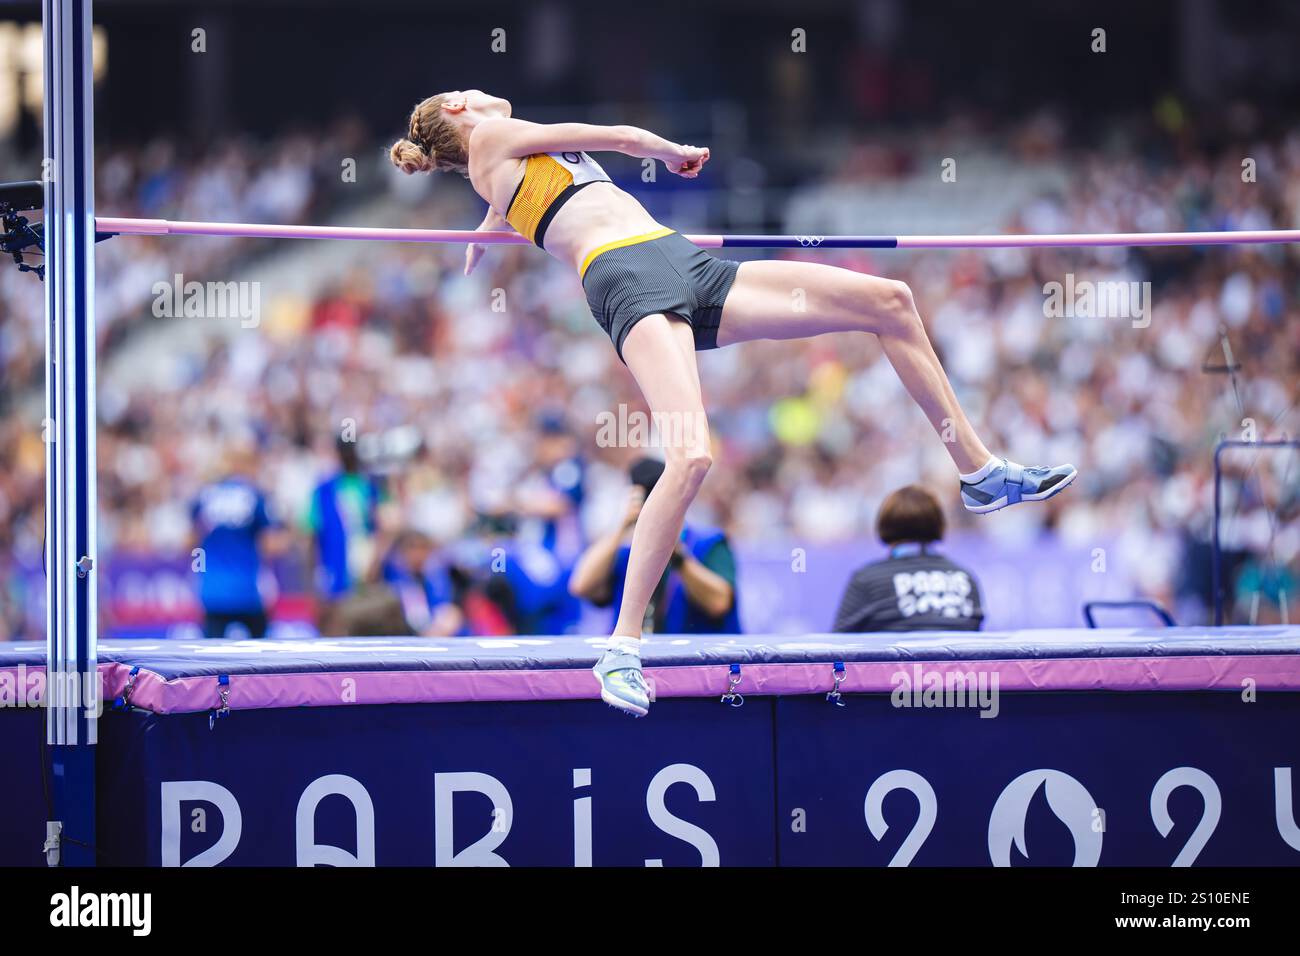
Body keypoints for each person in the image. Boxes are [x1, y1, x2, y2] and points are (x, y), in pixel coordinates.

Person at [389, 90, 1075, 715]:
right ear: (456, 108)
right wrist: (671, 152)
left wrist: (484, 233)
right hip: (629, 278)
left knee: (889, 303)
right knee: (689, 458)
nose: (486, 95)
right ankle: (622, 648)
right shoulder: (493, 139)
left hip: (682, 261)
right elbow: (615, 136)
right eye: (472, 93)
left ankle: (979, 472)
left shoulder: (498, 160)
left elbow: (514, 190)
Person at [569, 456, 739, 636]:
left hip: (694, 660)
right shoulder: (628, 554)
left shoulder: (707, 543)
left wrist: (677, 554)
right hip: (638, 656)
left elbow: (719, 602)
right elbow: (580, 585)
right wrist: (623, 527)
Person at [833, 485, 983, 632]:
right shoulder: (965, 577)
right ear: (939, 524)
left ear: (884, 524)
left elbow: (840, 649)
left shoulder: (867, 580)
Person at [189, 444, 289, 639]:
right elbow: (270, 544)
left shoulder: (206, 495)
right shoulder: (254, 496)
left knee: (211, 659)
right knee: (257, 657)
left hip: (213, 590)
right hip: (247, 590)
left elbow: (191, 540)